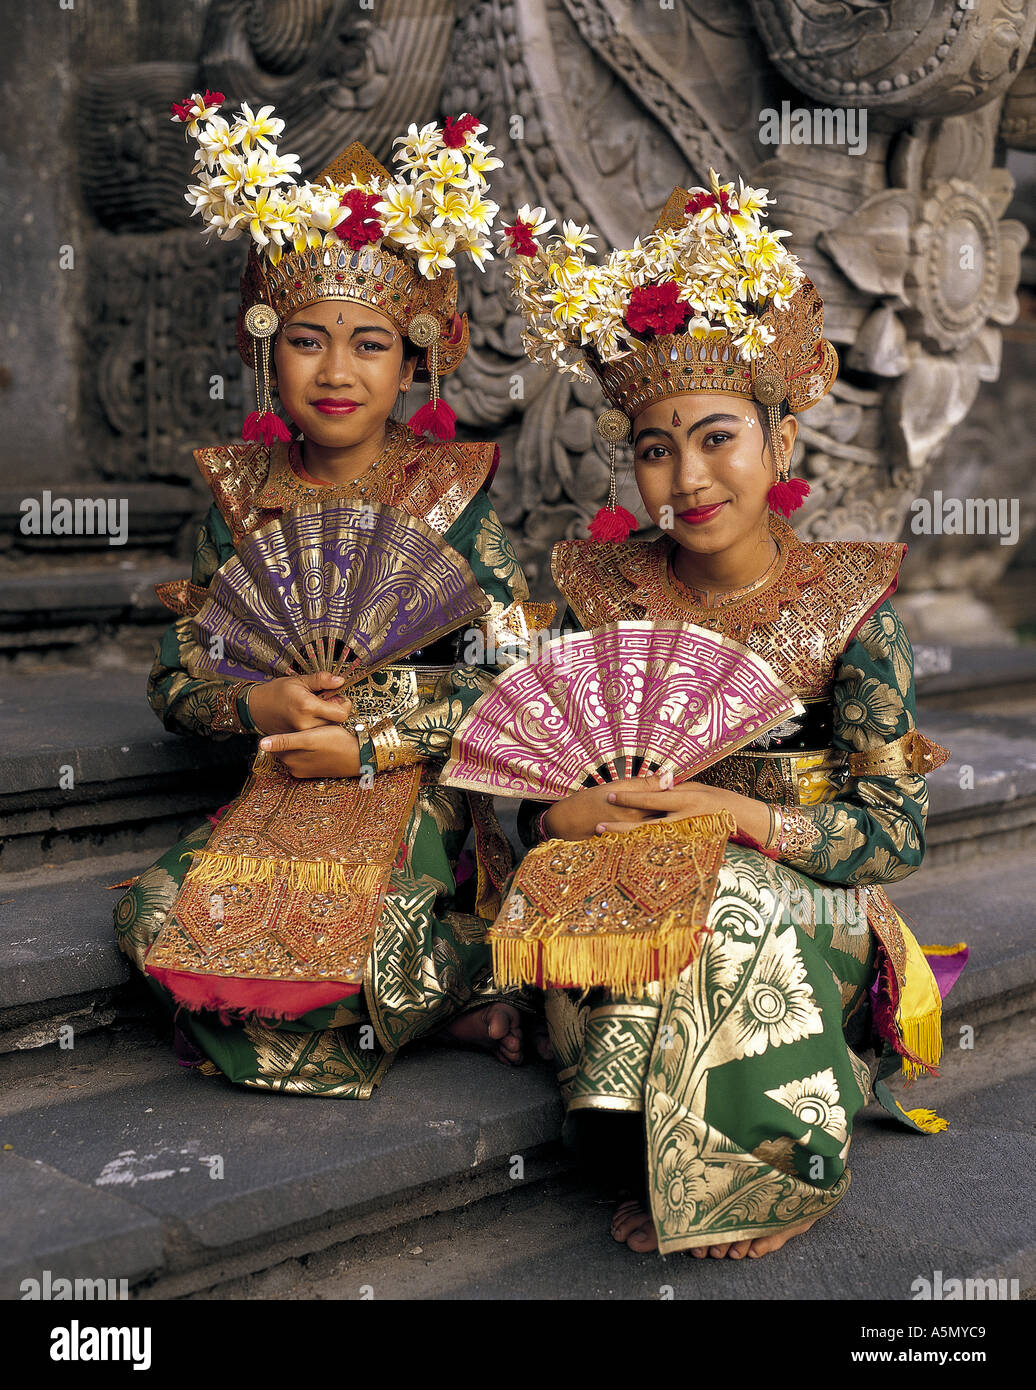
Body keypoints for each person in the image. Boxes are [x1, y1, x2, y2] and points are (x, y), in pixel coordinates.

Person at [499, 172, 961, 1255]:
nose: (686, 477)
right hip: (633, 897)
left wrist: (733, 814)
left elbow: (893, 833)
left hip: (802, 914)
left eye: (717, 438)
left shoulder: (851, 613)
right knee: (614, 887)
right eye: (656, 449)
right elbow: (521, 785)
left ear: (780, 442)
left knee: (731, 896)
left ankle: (769, 1174)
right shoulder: (599, 592)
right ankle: (635, 1130)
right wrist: (552, 823)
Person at [113, 94, 545, 1097]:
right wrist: (250, 703)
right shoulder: (238, 502)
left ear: (414, 359)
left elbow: (523, 688)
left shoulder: (454, 501)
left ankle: (464, 975)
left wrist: (375, 731)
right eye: (310, 340)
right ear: (269, 351)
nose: (338, 371)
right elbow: (178, 675)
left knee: (375, 941)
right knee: (153, 922)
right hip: (280, 786)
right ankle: (444, 1011)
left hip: (420, 793)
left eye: (370, 343)